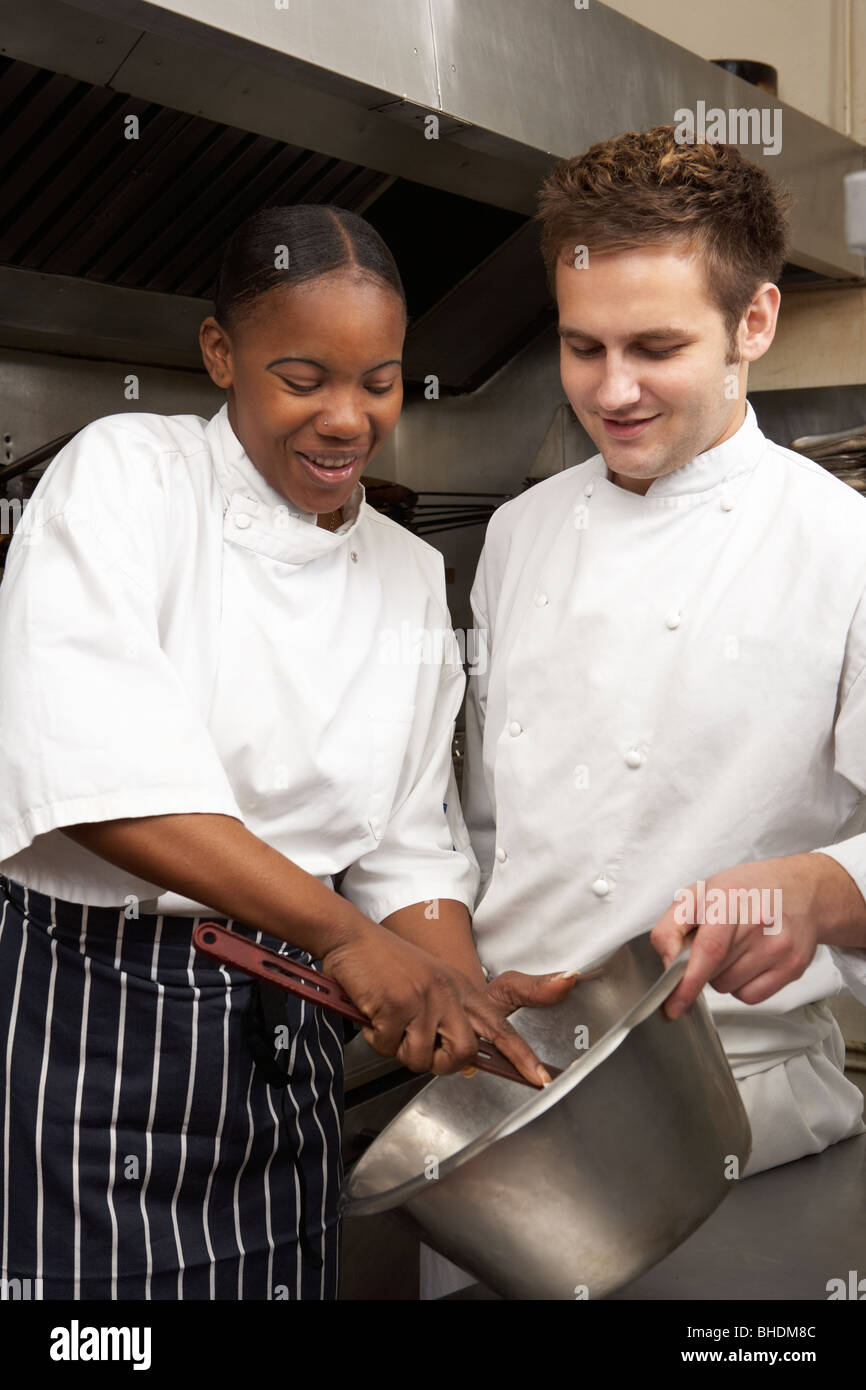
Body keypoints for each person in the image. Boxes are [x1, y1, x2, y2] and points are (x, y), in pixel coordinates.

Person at [0, 205, 575, 1301]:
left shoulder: (407, 571)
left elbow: (407, 842)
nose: (348, 419)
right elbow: (97, 785)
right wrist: (348, 941)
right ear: (221, 354)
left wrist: (451, 995)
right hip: (93, 1019)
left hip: (285, 1038)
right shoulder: (129, 476)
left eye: (380, 382)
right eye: (302, 377)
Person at [423, 126, 866, 1298]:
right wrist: (442, 962)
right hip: (498, 1122)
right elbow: (476, 821)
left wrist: (827, 888)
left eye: (656, 347)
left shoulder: (843, 548)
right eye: (581, 347)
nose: (609, 391)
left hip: (741, 1129)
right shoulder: (517, 534)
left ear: (752, 326)